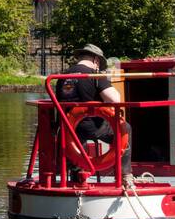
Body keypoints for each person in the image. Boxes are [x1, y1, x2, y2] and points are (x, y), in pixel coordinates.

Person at [51, 44, 130, 180]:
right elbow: (115, 99)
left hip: (68, 129)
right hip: (93, 126)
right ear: (96, 60)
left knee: (74, 141)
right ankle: (125, 174)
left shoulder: (61, 77)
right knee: (126, 129)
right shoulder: (95, 75)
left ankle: (76, 177)